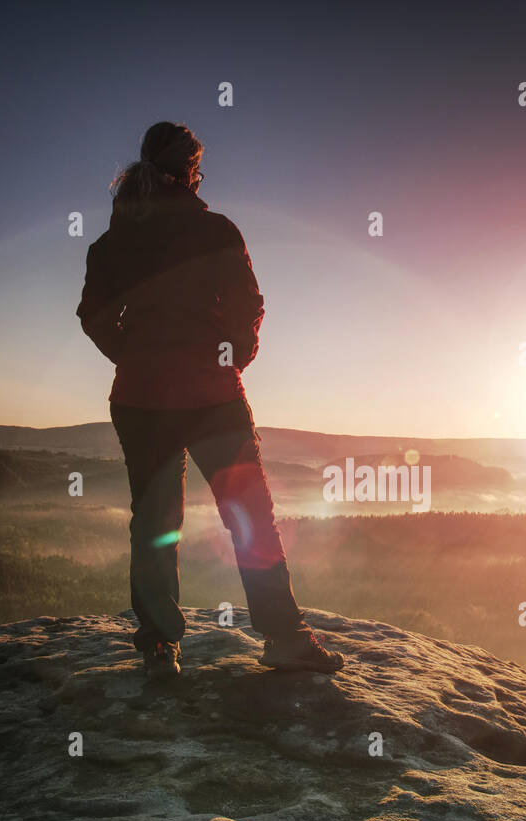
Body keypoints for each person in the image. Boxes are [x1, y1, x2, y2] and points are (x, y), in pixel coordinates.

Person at [77, 121, 342, 677]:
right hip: (211, 395)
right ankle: (283, 639)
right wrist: (231, 358)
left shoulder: (115, 240)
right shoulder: (216, 230)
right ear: (192, 170)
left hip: (141, 398)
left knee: (153, 521)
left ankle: (157, 647)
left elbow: (93, 315)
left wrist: (132, 356)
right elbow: (250, 305)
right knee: (249, 517)